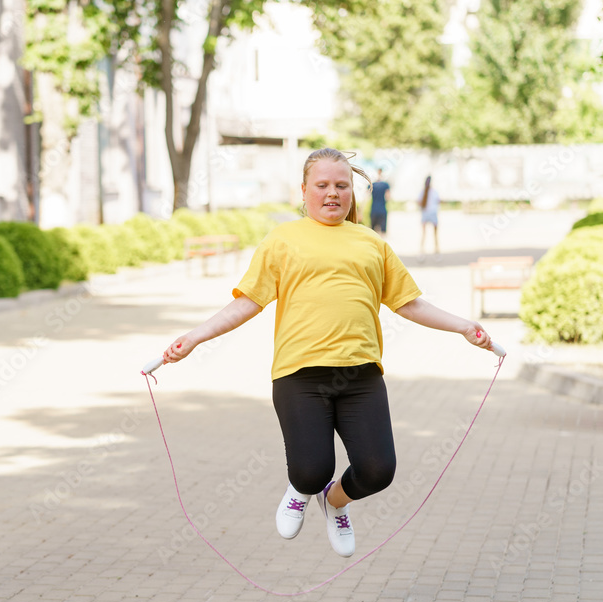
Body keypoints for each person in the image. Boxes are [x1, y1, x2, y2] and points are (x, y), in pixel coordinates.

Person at [161, 148, 493, 558]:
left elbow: (408, 303)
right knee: (310, 469)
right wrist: (195, 337)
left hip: (361, 377)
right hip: (299, 376)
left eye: (341, 185)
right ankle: (303, 488)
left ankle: (334, 503)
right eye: (322, 185)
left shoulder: (371, 242)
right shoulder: (282, 240)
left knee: (377, 471)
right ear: (304, 190)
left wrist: (463, 326)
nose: (332, 193)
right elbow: (248, 301)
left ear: (352, 192)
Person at [419, 175, 441, 256]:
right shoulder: (434, 192)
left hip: (425, 214)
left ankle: (422, 248)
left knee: (424, 233)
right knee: (435, 233)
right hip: (433, 214)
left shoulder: (423, 191)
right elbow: (438, 200)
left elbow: (419, 202)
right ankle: (436, 248)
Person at [369, 169, 390, 235]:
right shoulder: (385, 185)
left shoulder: (372, 185)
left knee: (373, 232)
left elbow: (366, 196)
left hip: (374, 209)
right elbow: (388, 197)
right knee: (382, 232)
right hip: (382, 210)